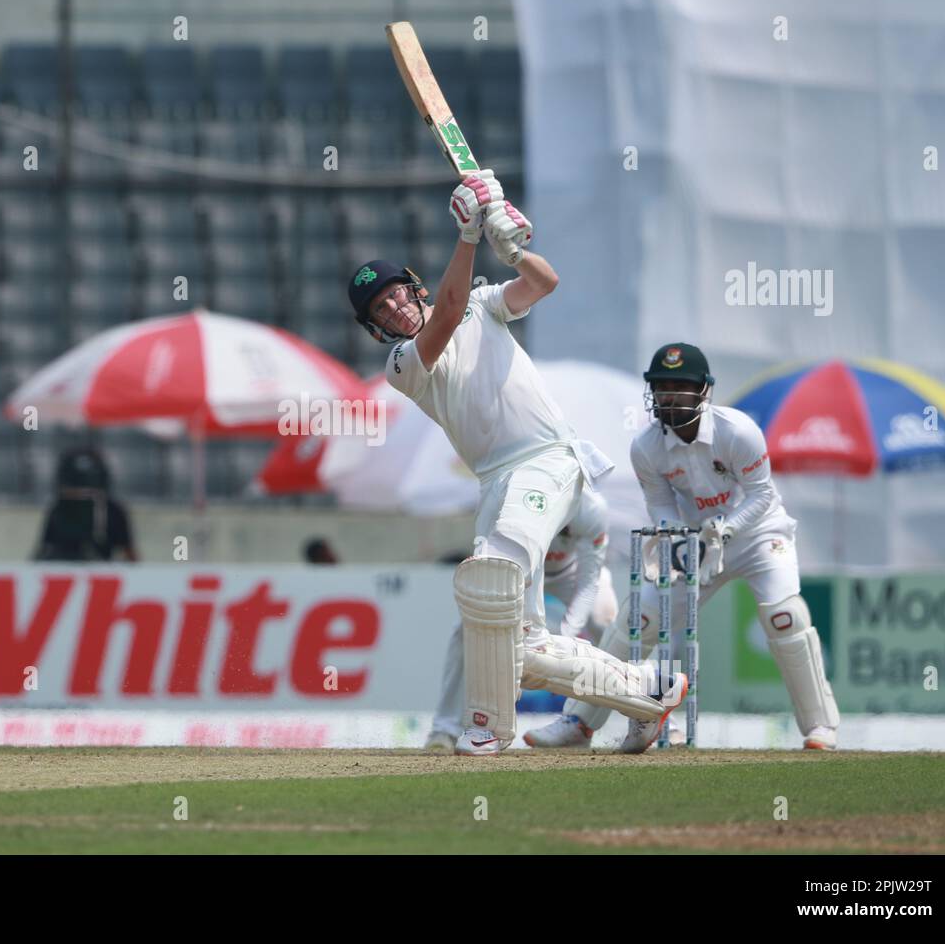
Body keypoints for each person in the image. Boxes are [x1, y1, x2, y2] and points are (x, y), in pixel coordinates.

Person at [349, 169, 688, 756]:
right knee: (507, 629)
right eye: (382, 309)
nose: (396, 308)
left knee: (494, 576)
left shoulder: (484, 302)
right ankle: (647, 692)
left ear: (414, 287)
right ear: (376, 329)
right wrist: (468, 234)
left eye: (399, 293)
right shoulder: (404, 364)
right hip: (496, 482)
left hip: (546, 460)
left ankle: (483, 728)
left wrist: (511, 246)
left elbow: (544, 283)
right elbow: (449, 311)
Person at [529, 343, 840, 752]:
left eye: (681, 386)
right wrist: (679, 535)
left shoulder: (738, 431)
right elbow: (659, 504)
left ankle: (821, 728)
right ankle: (578, 723)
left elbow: (761, 495)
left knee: (785, 617)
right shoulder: (646, 447)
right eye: (662, 387)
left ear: (704, 391)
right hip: (695, 545)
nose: (670, 396)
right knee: (636, 620)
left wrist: (726, 530)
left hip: (759, 536)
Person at [425, 486, 620, 752]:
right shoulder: (513, 494)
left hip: (571, 574)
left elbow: (588, 586)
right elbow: (490, 552)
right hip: (519, 572)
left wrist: (568, 636)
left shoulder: (592, 508)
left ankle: (635, 714)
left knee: (607, 623)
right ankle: (444, 730)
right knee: (467, 628)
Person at [34, 447, 136, 562]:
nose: (82, 496)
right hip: (63, 566)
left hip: (101, 570)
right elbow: (45, 548)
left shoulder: (113, 511)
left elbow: (129, 554)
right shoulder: (58, 509)